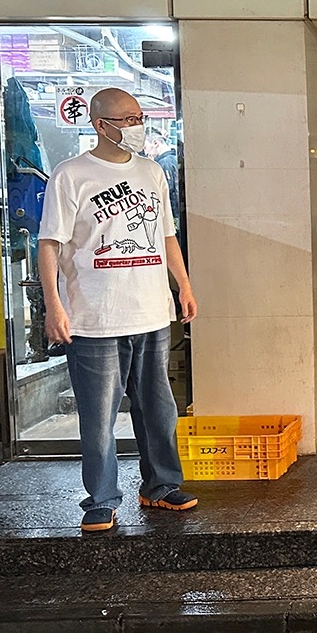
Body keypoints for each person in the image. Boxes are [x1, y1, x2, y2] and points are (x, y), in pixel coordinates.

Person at [38, 87, 199, 533]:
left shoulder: (151, 173)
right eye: (126, 118)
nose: (136, 126)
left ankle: (161, 485)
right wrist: (54, 305)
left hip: (150, 311)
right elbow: (49, 244)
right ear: (100, 124)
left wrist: (183, 286)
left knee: (159, 410)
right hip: (94, 318)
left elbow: (167, 236)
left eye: (139, 116)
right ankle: (103, 498)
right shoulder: (71, 175)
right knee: (99, 417)